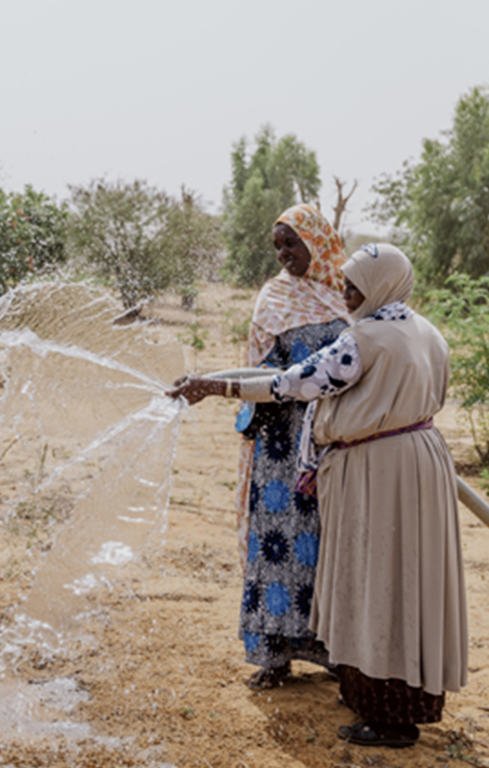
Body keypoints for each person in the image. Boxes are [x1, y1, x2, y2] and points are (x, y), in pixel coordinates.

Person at [170, 243, 469, 748]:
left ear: (379, 286)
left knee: (374, 583)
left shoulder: (366, 338)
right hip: (422, 464)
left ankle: (386, 716)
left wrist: (214, 387)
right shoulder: (428, 332)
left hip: (377, 472)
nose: (346, 295)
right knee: (411, 582)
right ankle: (400, 700)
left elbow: (296, 384)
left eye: (354, 287)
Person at [171, 204, 350, 689]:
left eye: (291, 242)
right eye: (277, 246)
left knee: (329, 544)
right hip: (281, 445)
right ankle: (273, 655)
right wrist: (217, 385)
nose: (284, 254)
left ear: (320, 242)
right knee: (277, 543)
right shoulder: (274, 300)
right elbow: (262, 371)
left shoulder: (350, 296)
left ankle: (332, 648)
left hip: (334, 443)